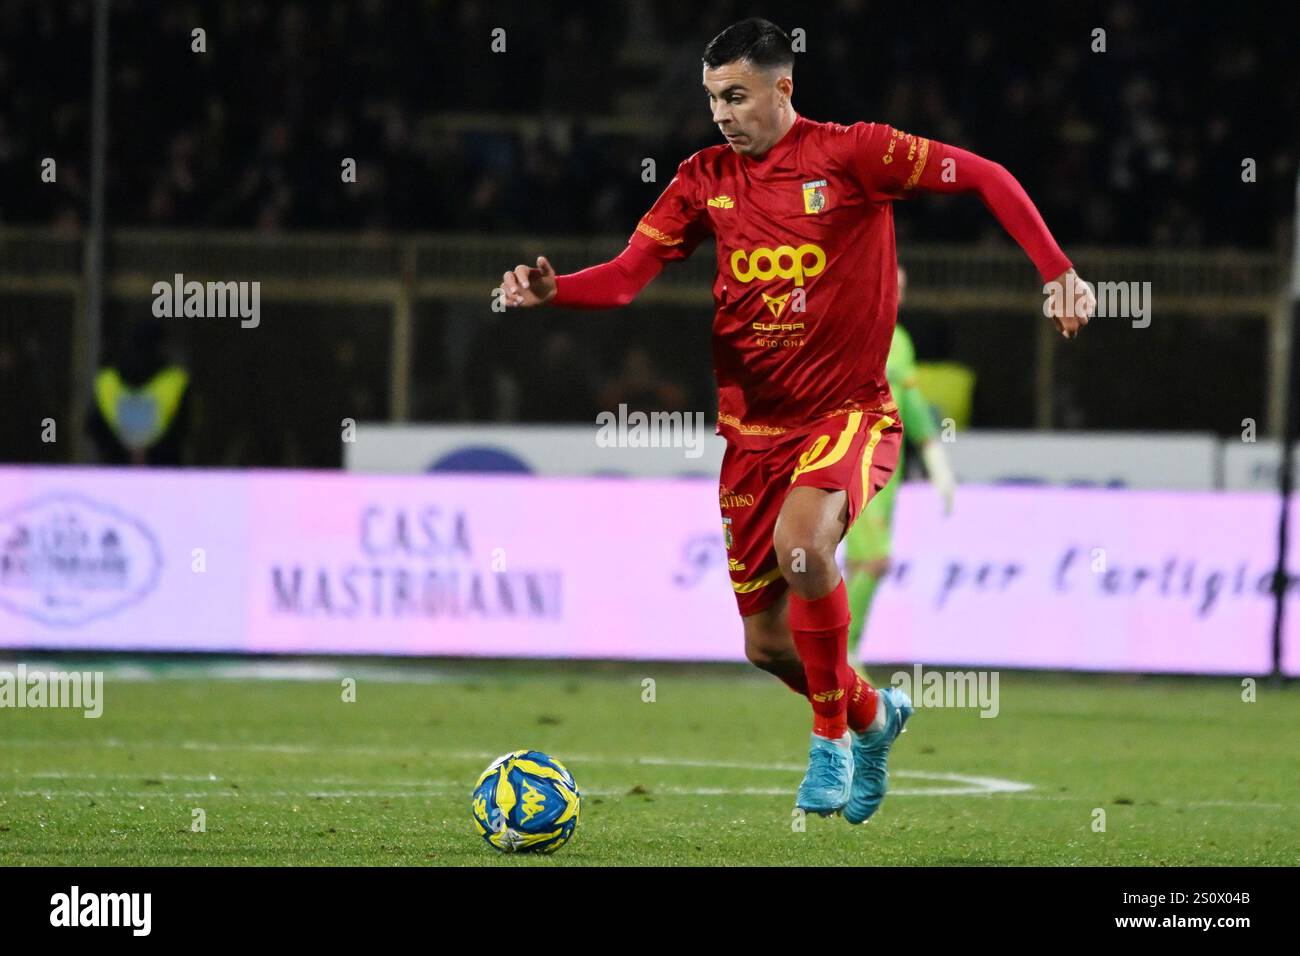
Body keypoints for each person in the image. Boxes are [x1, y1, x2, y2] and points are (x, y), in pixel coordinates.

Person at [496, 18, 1094, 823]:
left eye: (737, 95)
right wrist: (554, 288)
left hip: (847, 414)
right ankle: (875, 720)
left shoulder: (856, 155)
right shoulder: (702, 177)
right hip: (752, 436)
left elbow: (985, 175)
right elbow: (631, 276)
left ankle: (829, 741)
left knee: (804, 545)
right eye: (713, 99)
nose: (723, 114)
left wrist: (1056, 270)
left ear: (784, 87)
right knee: (767, 645)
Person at [845, 265, 957, 657]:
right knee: (877, 560)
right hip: (851, 460)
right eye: (894, 287)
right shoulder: (847, 332)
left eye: (903, 289)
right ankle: (844, 650)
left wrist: (933, 453)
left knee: (860, 564)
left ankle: (834, 653)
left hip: (888, 468)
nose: (899, 296)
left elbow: (911, 402)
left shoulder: (902, 340)